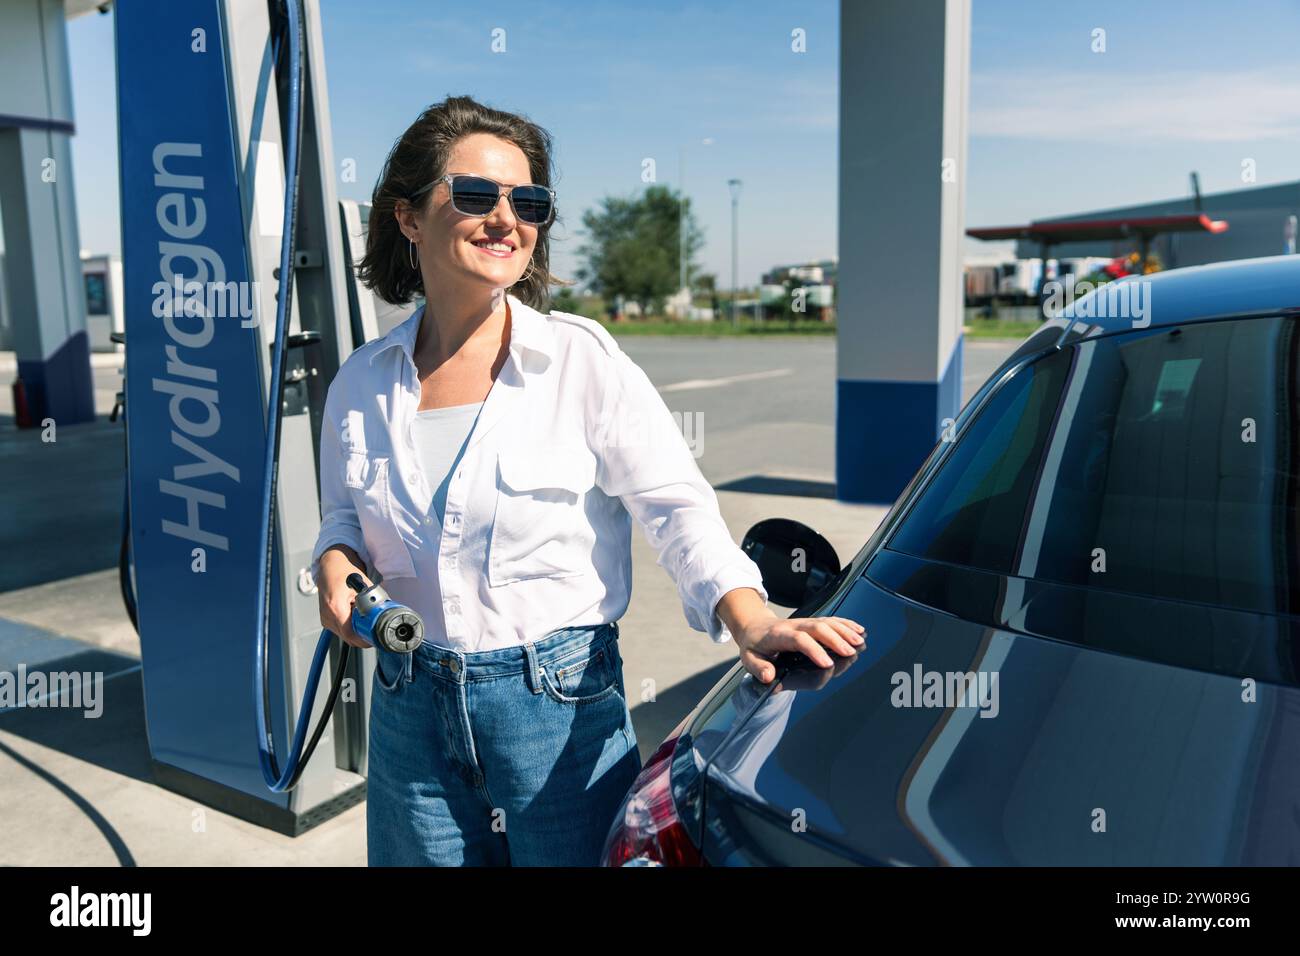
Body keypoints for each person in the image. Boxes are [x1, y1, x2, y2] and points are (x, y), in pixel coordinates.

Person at [311, 94, 865, 866]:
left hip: (557, 717)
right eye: (475, 195)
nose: (507, 218)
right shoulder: (360, 385)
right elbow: (342, 517)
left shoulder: (581, 361)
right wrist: (334, 561)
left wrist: (750, 621)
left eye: (528, 201)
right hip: (408, 709)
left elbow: (676, 510)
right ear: (408, 218)